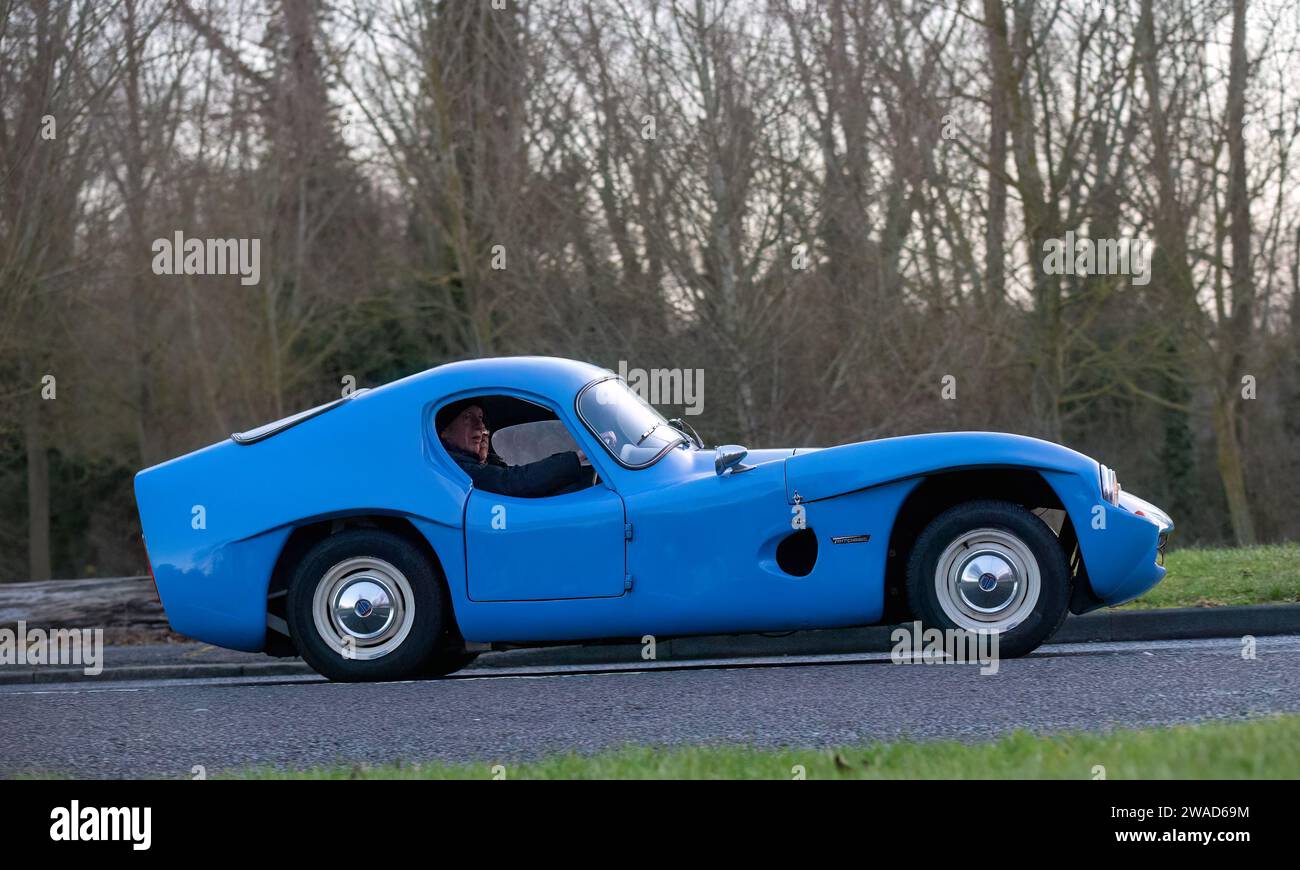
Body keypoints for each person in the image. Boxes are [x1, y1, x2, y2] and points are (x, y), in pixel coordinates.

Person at [438, 400, 590, 498]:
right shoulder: (452, 468)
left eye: (481, 418)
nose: (481, 426)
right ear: (444, 431)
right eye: (467, 417)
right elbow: (511, 482)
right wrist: (577, 458)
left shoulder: (482, 464)